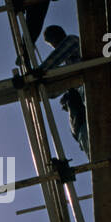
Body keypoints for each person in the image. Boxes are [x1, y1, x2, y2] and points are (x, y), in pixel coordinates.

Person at [37, 25, 90, 158]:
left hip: (92, 85)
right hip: (86, 95)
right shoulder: (69, 64)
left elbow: (54, 60)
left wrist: (37, 73)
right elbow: (54, 92)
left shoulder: (72, 41)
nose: (54, 46)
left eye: (53, 43)